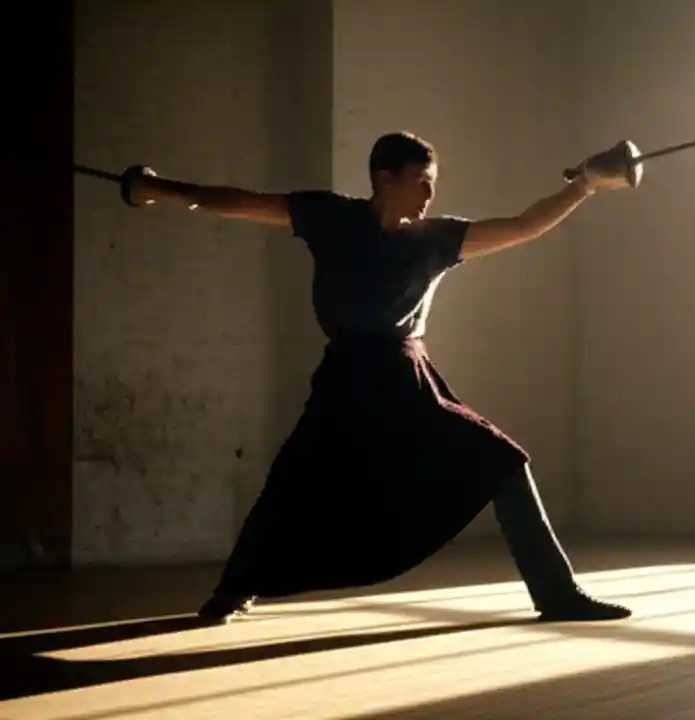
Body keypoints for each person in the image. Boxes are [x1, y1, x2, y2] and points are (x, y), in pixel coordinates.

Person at [118, 131, 637, 623]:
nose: (431, 194)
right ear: (385, 177)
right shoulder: (329, 216)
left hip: (408, 378)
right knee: (294, 482)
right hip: (346, 374)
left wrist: (585, 185)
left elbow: (524, 225)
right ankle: (234, 589)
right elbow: (234, 200)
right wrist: (155, 188)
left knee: (503, 462)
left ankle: (558, 594)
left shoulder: (437, 239)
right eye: (422, 180)